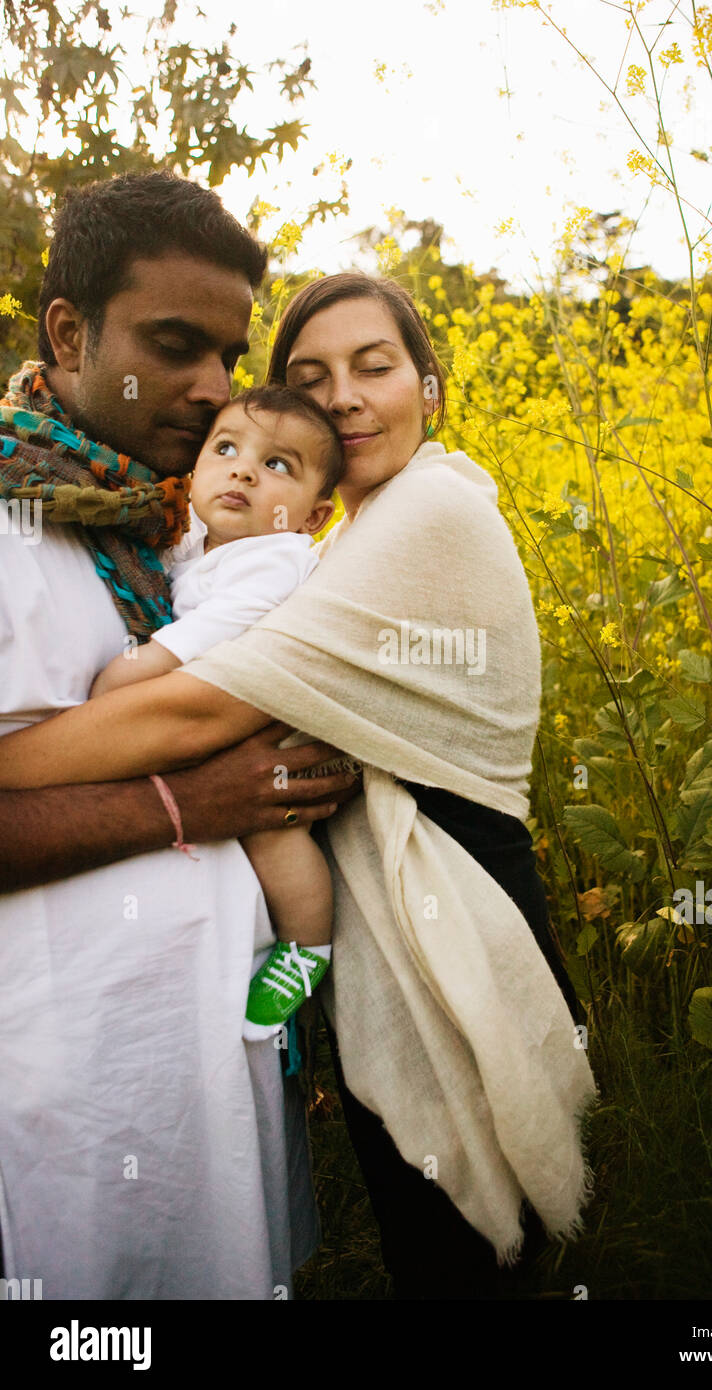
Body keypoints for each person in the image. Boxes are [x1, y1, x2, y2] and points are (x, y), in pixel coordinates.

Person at [0, 271, 598, 1300]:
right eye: (315, 378)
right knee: (432, 1247)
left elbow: (197, 711)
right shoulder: (339, 535)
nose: (349, 397)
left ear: (431, 387)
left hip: (457, 922)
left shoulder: (429, 515)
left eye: (376, 367)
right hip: (394, 936)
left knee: (467, 1258)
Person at [0, 174, 360, 1300]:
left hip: (201, 1064)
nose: (213, 390)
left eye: (228, 354)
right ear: (69, 333)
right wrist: (193, 804)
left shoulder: (172, 526)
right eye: (173, 345)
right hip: (70, 1092)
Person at [91, 383, 354, 1040]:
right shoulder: (196, 541)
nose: (242, 469)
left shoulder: (275, 557)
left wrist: (133, 671)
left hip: (275, 726)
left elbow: (210, 632)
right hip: (211, 712)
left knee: (274, 831)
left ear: (312, 517)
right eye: (227, 448)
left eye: (277, 465)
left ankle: (306, 945)